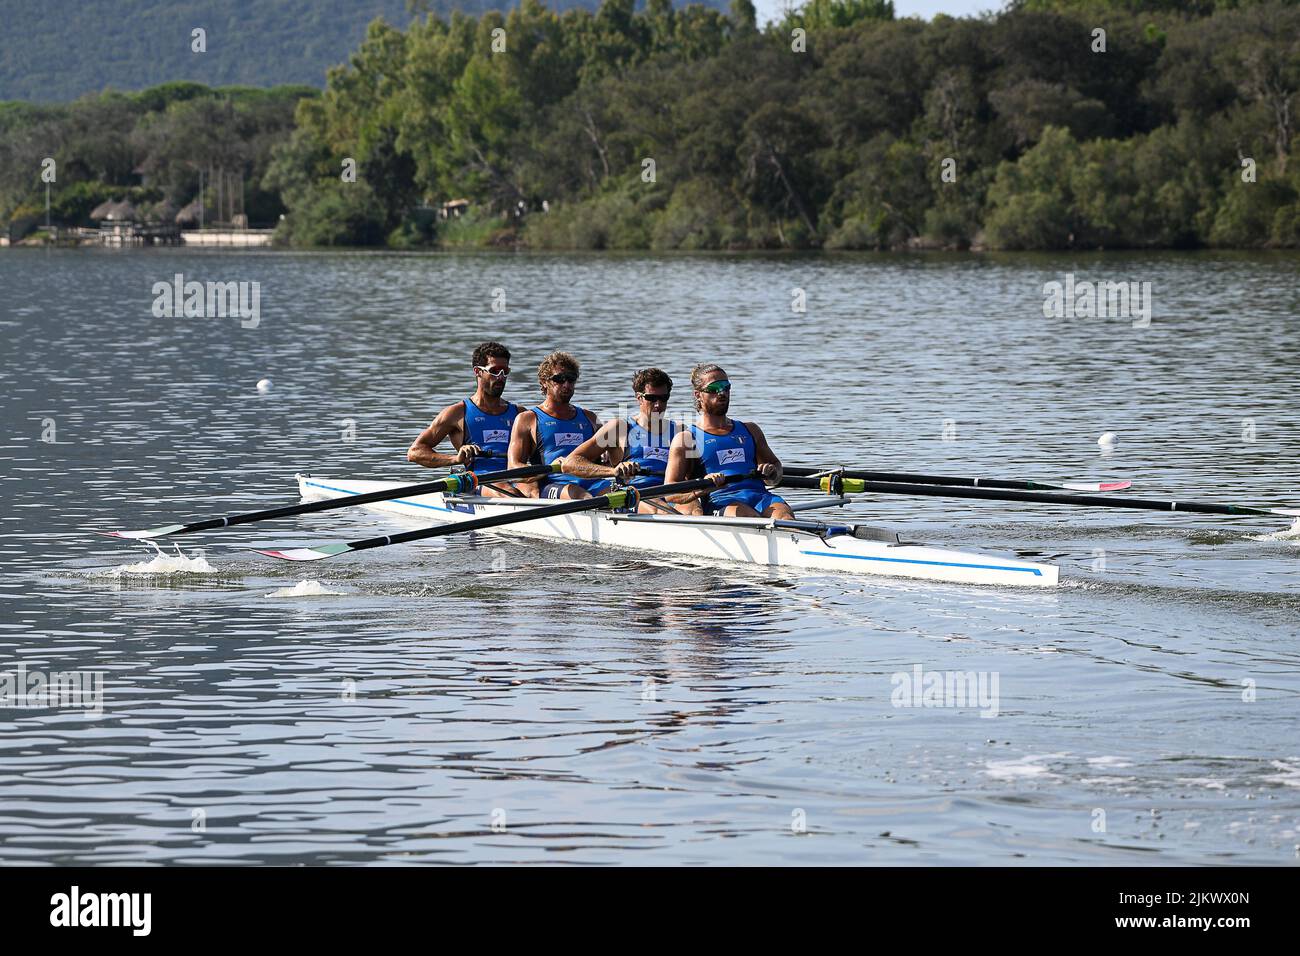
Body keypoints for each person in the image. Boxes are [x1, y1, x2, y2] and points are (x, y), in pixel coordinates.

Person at [663, 363, 794, 519]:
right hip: (721, 501)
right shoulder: (686, 439)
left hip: (761, 497)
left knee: (784, 515)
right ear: (698, 395)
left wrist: (771, 473)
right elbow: (669, 492)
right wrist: (701, 489)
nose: (722, 392)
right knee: (746, 516)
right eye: (714, 389)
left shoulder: (751, 430)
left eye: (726, 387)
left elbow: (777, 469)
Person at [562, 367, 687, 514]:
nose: (658, 405)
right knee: (663, 512)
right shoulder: (619, 428)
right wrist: (613, 471)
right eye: (652, 399)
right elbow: (569, 463)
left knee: (695, 509)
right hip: (635, 494)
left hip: (672, 492)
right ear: (639, 398)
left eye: (663, 398)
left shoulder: (679, 430)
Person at [406, 342, 519, 496]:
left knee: (537, 489)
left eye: (505, 371)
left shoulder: (519, 413)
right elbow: (415, 452)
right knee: (509, 492)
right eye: (494, 371)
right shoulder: (457, 413)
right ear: (477, 371)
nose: (500, 377)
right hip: (480, 480)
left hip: (518, 477)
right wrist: (454, 459)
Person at [507, 351, 606, 499]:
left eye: (571, 379)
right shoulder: (528, 419)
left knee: (621, 495)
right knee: (580, 495)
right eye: (559, 379)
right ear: (544, 382)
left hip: (592, 482)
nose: (566, 384)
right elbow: (513, 469)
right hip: (553, 484)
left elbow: (609, 456)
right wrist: (548, 469)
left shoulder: (590, 418)